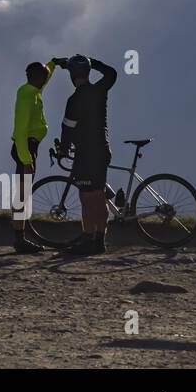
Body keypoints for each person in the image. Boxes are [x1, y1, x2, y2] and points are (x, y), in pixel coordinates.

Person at [57, 55, 118, 254]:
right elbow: (111, 73)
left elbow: (67, 128)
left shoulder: (73, 100)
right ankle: (99, 241)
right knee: (99, 196)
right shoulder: (100, 91)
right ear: (88, 72)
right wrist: (92, 61)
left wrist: (63, 150)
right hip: (103, 150)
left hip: (85, 153)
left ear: (72, 75)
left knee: (87, 198)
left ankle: (87, 239)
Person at [10, 58, 59, 253]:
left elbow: (45, 75)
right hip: (25, 148)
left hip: (30, 147)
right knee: (22, 195)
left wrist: (54, 64)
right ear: (33, 77)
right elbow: (20, 130)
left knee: (24, 193)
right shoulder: (27, 96)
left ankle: (20, 237)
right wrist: (26, 160)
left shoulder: (34, 89)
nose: (46, 77)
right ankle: (19, 239)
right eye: (43, 75)